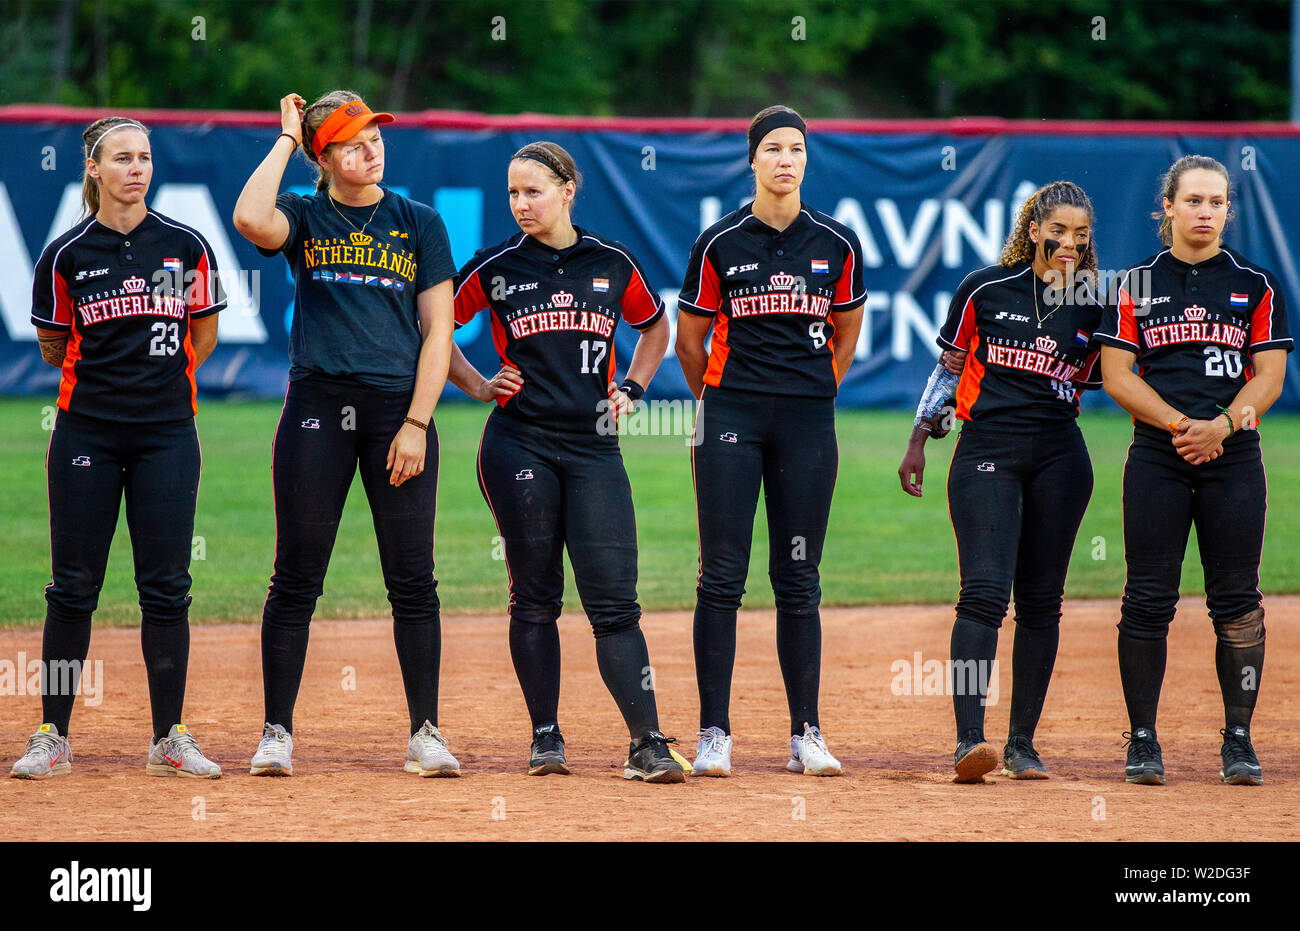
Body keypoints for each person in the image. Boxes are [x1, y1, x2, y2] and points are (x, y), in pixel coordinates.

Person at [232, 91, 458, 776]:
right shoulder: (302, 213)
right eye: (353, 142)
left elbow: (439, 330)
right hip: (317, 406)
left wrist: (417, 421)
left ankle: (425, 732)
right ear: (324, 156)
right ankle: (277, 730)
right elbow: (249, 218)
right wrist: (284, 140)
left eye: (375, 136)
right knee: (297, 574)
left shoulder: (416, 221)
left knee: (413, 578)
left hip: (397, 409)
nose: (372, 149)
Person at [447, 141, 685, 783]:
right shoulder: (496, 266)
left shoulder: (610, 262)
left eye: (534, 191)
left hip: (594, 446)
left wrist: (632, 388)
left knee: (614, 603)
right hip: (518, 442)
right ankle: (545, 736)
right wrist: (474, 385)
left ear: (568, 189)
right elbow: (432, 324)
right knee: (536, 596)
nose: (522, 204)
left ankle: (646, 742)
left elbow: (656, 328)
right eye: (513, 194)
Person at [13, 116, 226, 779]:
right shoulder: (66, 254)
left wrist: (156, 384)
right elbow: (54, 347)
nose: (137, 167)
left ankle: (169, 737)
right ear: (95, 170)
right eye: (122, 157)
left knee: (166, 588)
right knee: (73, 588)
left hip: (167, 433)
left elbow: (203, 335)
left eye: (145, 156)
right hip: (87, 432)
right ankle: (53, 733)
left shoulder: (186, 245)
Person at [676, 105, 866, 777]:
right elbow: (689, 342)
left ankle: (806, 733)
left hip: (808, 421)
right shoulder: (720, 241)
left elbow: (847, 330)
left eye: (796, 149)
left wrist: (815, 387)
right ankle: (713, 733)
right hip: (731, 416)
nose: (786, 160)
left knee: (798, 577)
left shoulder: (837, 242)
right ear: (751, 160)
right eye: (773, 150)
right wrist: (723, 399)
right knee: (720, 576)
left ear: (807, 160)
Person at [898, 181, 1105, 783]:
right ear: (1034, 228)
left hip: (1062, 457)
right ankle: (969, 741)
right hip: (985, 448)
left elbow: (1113, 376)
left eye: (1081, 234)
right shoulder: (986, 288)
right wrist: (918, 437)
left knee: (1042, 602)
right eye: (1059, 231)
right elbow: (950, 368)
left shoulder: (1098, 303)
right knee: (985, 593)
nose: (1070, 243)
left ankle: (1022, 744)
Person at [1096, 155, 1291, 786]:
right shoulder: (1134, 284)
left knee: (1237, 601)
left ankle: (1238, 739)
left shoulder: (1254, 284)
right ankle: (1143, 740)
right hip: (1159, 456)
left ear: (1229, 210)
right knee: (1147, 600)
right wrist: (1185, 427)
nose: (1206, 212)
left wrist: (1224, 427)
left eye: (1217, 202)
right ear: (1168, 209)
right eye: (1194, 201)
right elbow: (1117, 377)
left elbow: (1270, 376)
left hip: (1234, 458)